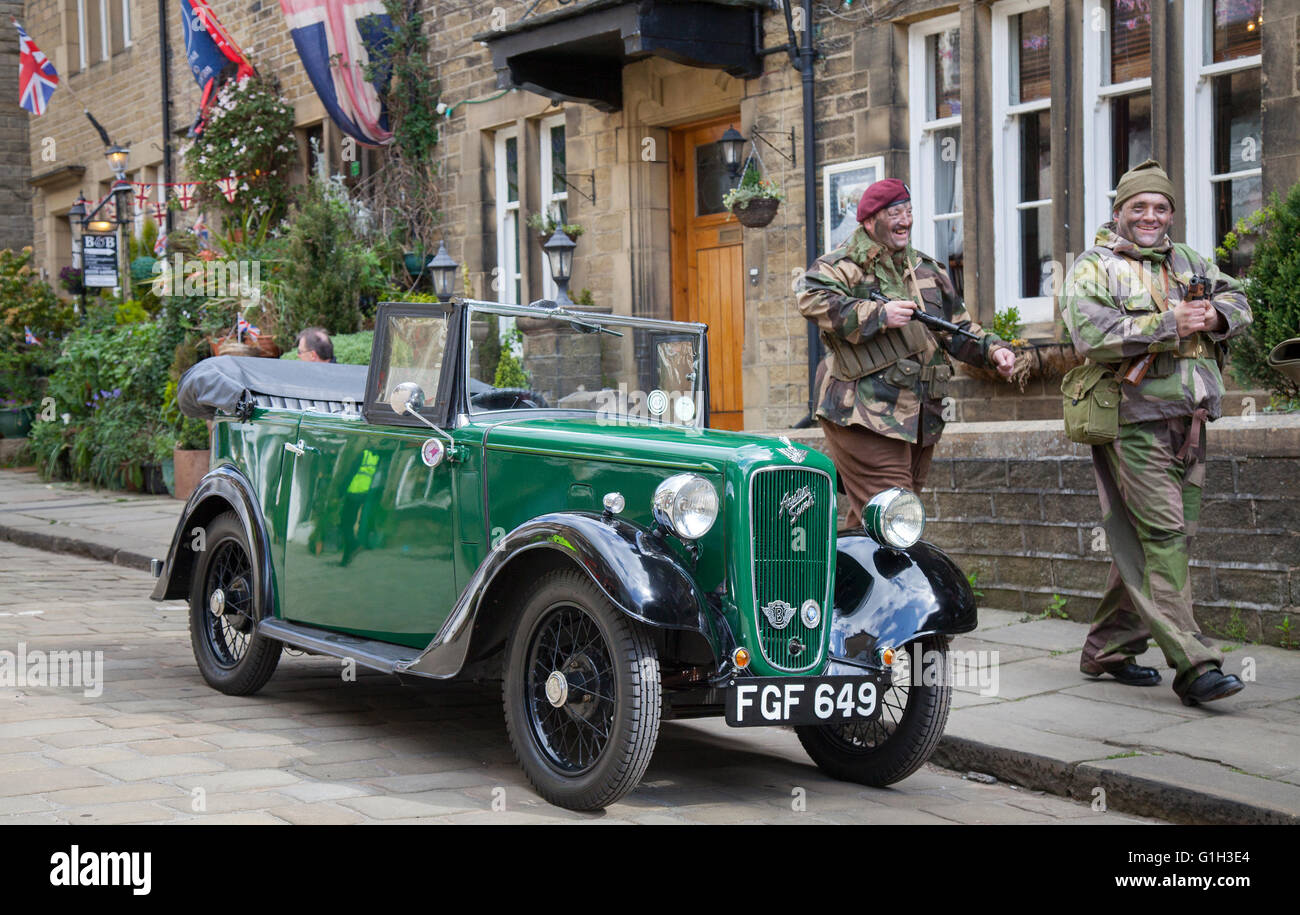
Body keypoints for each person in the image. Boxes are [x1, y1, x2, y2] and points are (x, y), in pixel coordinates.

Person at [1061, 158, 1252, 707]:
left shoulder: (1188, 259)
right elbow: (1089, 333)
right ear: (1119, 210)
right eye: (1139, 206)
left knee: (1167, 540)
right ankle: (1195, 666)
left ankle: (1107, 647)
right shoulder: (1094, 266)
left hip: (1189, 423)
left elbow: (1239, 300)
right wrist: (1170, 323)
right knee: (1163, 538)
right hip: (1133, 422)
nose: (1151, 216)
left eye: (1161, 207)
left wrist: (1215, 317)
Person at [796, 178, 1015, 528]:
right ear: (870, 221)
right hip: (864, 413)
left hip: (919, 417)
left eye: (909, 212)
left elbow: (957, 328)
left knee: (883, 518)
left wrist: (994, 350)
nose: (906, 220)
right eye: (895, 213)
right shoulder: (840, 266)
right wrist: (878, 314)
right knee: (897, 514)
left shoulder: (927, 269)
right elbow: (812, 300)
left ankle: (843, 564)